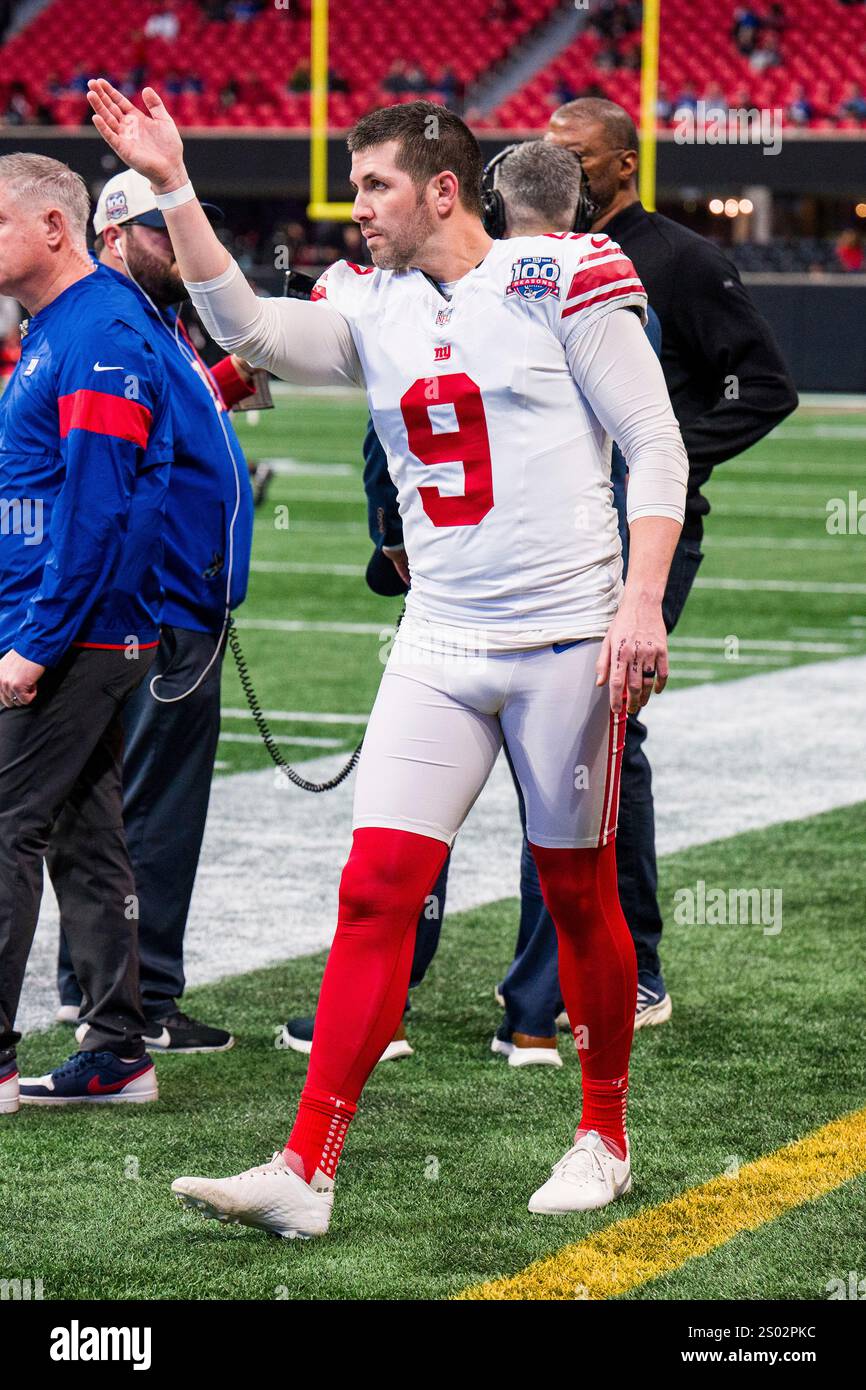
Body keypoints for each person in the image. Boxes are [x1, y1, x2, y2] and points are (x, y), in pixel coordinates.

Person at [88, 79, 687, 1235]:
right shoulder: (368, 300)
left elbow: (653, 443)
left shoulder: (561, 272)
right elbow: (249, 328)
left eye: (373, 185)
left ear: (443, 187)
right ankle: (305, 1169)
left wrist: (643, 601)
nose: (353, 208)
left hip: (565, 634)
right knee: (373, 891)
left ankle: (603, 1134)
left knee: (575, 893)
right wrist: (174, 184)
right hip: (439, 639)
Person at [545, 97, 798, 1021]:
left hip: (647, 527)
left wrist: (662, 452)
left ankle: (634, 961)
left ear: (624, 166)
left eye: (575, 155)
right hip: (554, 527)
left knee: (609, 723)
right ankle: (553, 970)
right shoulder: (542, 257)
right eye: (545, 153)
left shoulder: (683, 260)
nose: (558, 168)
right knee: (554, 728)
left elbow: (765, 386)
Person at [51, 169, 256, 1053]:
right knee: (153, 814)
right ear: (111, 234)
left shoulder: (156, 325)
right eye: (162, 229)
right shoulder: (122, 324)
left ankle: (100, 986)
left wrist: (228, 381)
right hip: (163, 609)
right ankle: (140, 999)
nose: (181, 242)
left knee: (120, 807)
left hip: (172, 604)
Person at [0, 153, 173, 1113]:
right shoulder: (62, 326)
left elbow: (96, 511)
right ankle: (116, 1049)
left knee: (6, 831)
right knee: (85, 837)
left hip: (72, 631)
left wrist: (35, 642)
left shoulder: (98, 329)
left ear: (55, 229)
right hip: (77, 624)